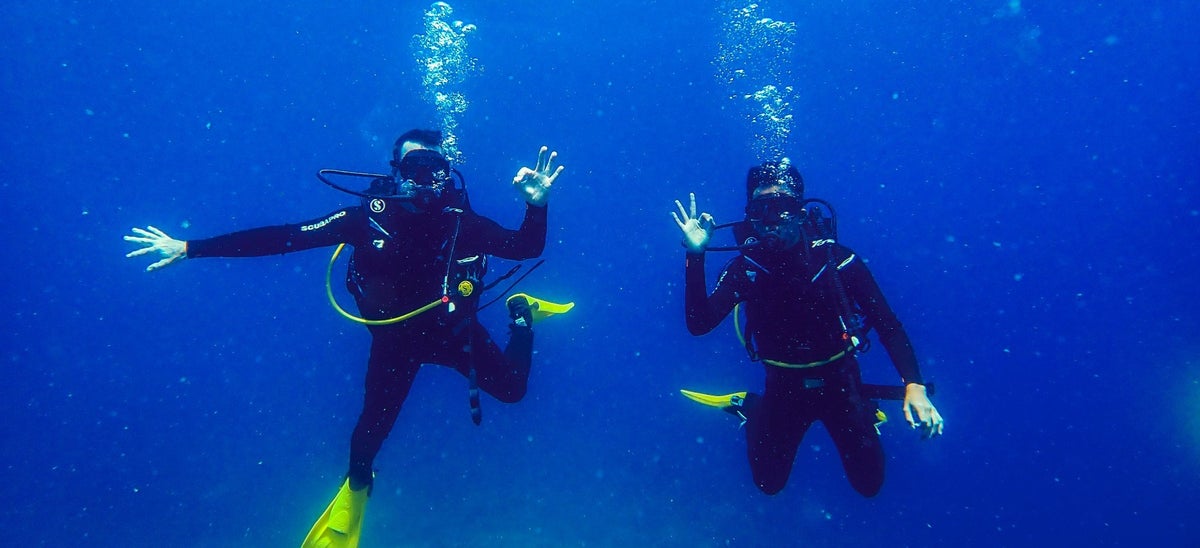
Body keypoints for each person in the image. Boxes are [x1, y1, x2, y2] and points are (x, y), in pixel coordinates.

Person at [125, 129, 565, 547]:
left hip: (452, 331)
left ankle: (521, 314)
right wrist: (190, 247)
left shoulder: (459, 223)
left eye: (432, 165)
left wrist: (538, 205)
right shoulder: (366, 220)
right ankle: (355, 496)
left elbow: (524, 247)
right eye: (412, 163)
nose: (422, 176)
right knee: (362, 447)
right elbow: (286, 237)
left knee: (513, 391)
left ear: (444, 172)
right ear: (395, 169)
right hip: (395, 344)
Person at [670, 160, 944, 497]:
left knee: (869, 485)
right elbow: (699, 324)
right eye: (762, 208)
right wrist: (695, 256)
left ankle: (864, 412)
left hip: (842, 383)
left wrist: (914, 384)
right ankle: (750, 407)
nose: (772, 220)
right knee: (768, 484)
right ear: (750, 215)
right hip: (782, 387)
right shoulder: (746, 269)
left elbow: (889, 326)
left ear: (800, 212)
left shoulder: (839, 262)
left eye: (782, 206)